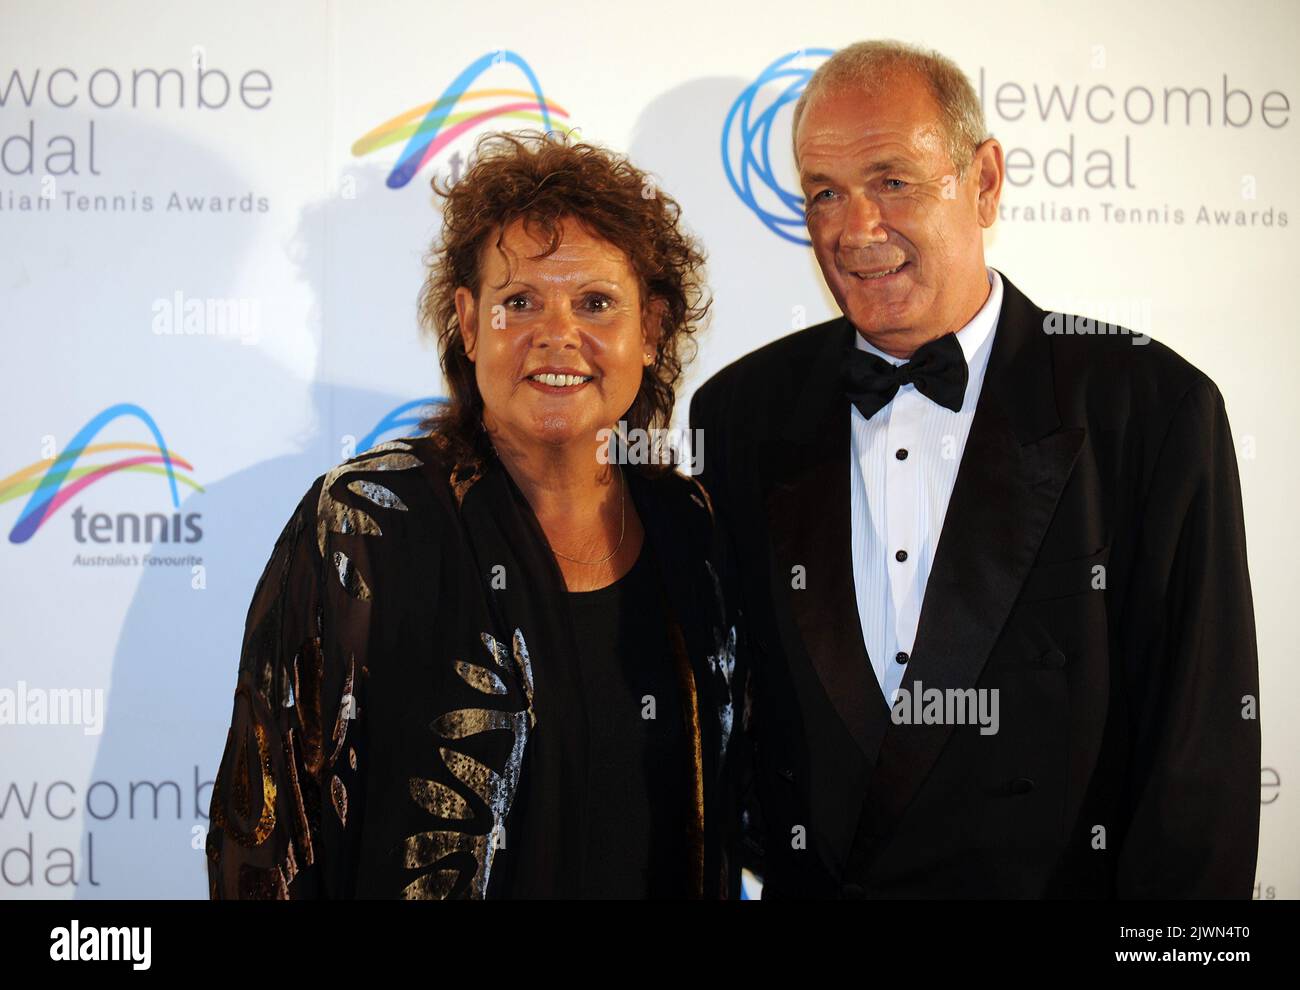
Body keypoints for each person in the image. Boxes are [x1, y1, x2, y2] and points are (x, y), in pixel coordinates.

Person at [691, 40, 1260, 898]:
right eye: (825, 194)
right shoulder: (738, 414)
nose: (855, 230)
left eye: (892, 181)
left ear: (984, 181)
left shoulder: (1149, 408)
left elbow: (1200, 766)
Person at [207, 130, 743, 899]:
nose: (557, 334)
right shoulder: (367, 527)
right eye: (518, 301)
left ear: (651, 331)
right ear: (466, 321)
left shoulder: (691, 528)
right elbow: (263, 838)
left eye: (596, 302)